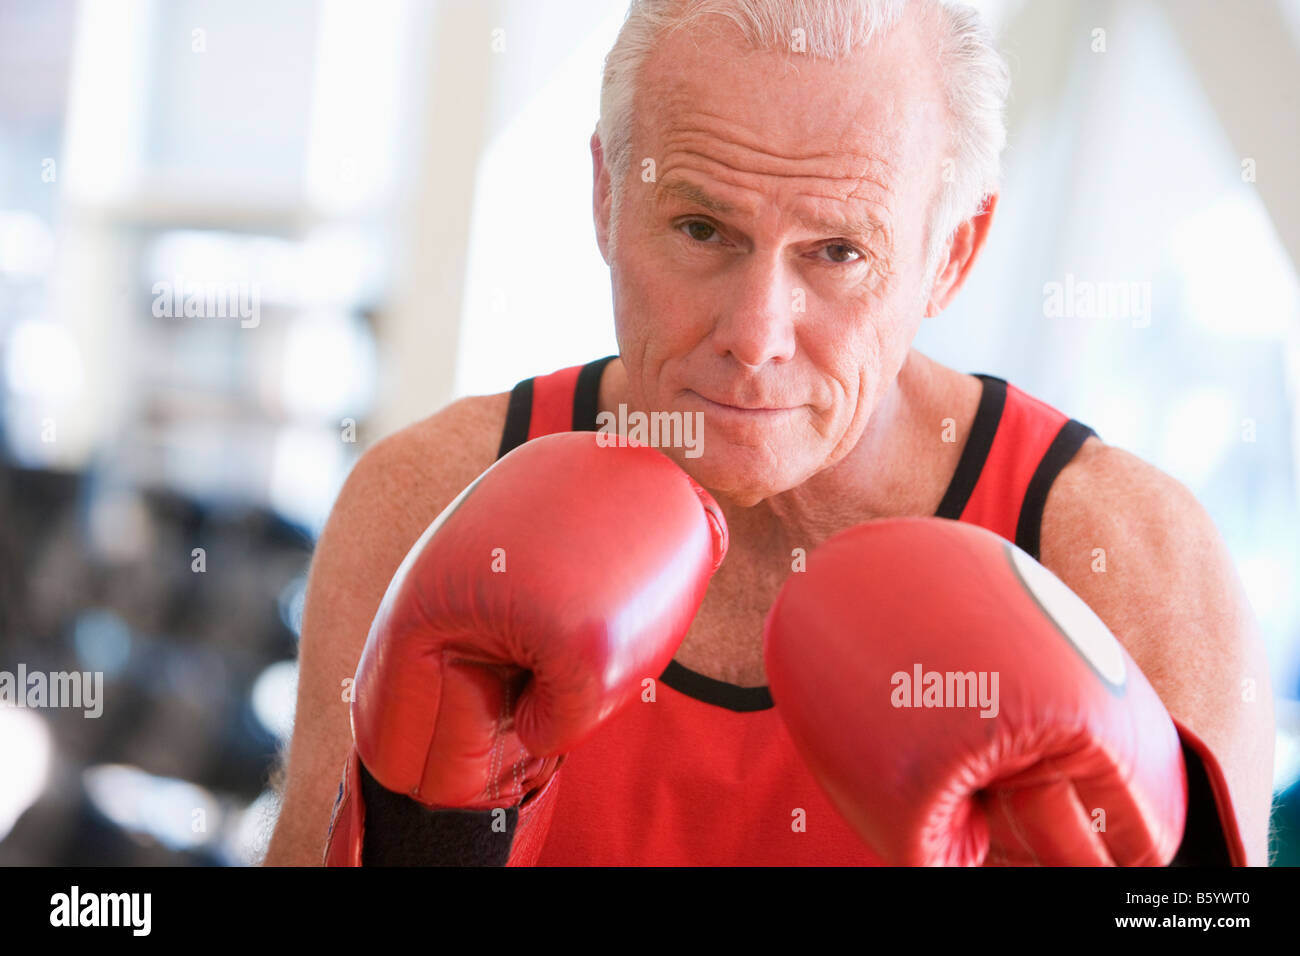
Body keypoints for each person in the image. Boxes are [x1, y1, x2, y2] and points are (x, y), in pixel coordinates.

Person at [264, 0, 1274, 866]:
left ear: (951, 253)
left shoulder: (1125, 560)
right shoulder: (426, 501)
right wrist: (427, 835)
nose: (754, 337)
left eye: (836, 251)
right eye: (702, 229)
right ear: (607, 197)